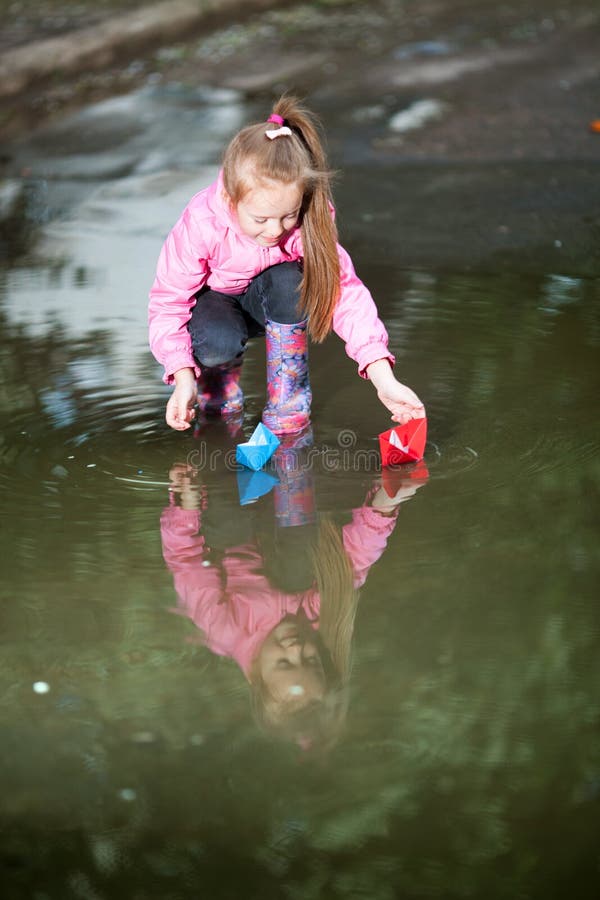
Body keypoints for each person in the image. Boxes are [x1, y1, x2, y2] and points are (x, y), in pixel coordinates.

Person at [149, 95, 425, 433]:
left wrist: (383, 377)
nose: (275, 230)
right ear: (229, 199)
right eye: (261, 218)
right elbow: (168, 303)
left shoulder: (305, 222)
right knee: (217, 343)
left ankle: (288, 411)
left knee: (290, 282)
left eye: (287, 216)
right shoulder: (203, 224)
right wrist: (181, 376)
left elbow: (343, 294)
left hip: (272, 301)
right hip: (216, 306)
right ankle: (219, 405)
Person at [161, 438, 428, 751]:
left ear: (255, 678)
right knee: (303, 571)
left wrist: (186, 505)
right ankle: (285, 442)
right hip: (284, 496)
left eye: (284, 663)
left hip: (228, 500)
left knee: (231, 532)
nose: (296, 647)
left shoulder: (224, 630)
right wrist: (385, 505)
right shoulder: (318, 618)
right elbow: (354, 561)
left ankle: (251, 443)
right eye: (310, 660)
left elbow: (186, 559)